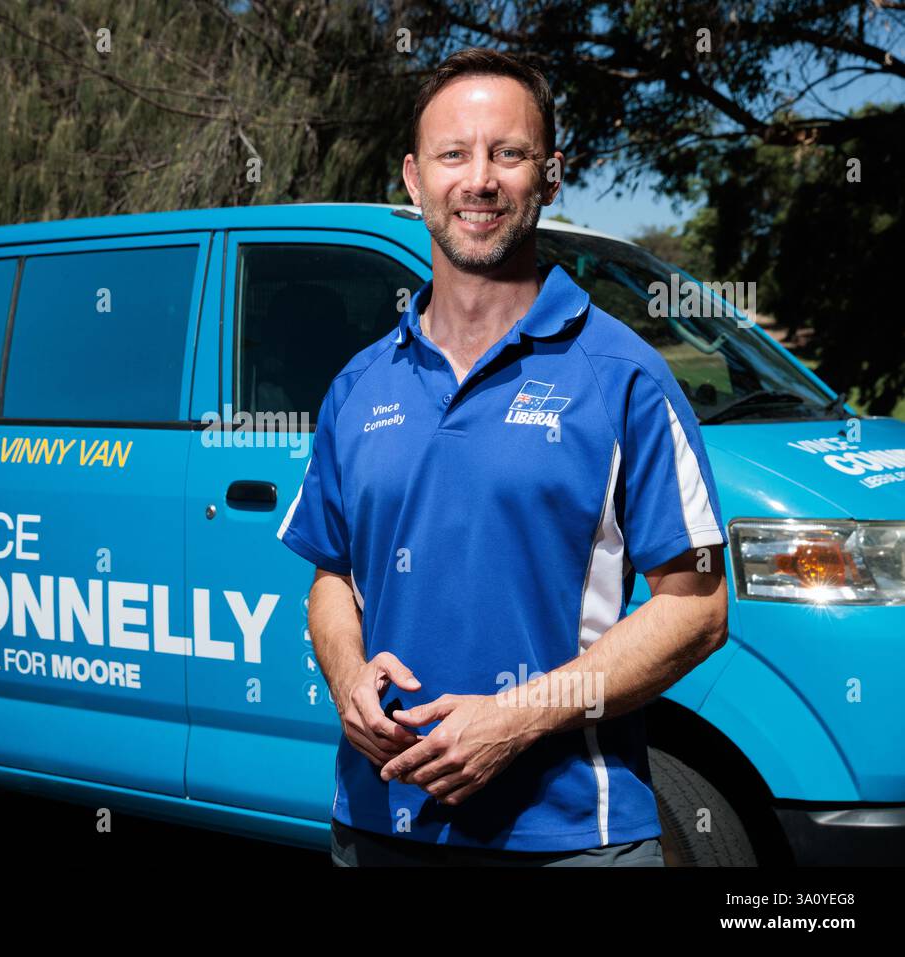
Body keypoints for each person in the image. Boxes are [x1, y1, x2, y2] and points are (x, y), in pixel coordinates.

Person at [277, 48, 729, 866]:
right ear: (415, 180)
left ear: (550, 175)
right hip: (379, 824)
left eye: (508, 154)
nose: (478, 180)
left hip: (569, 839)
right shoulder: (358, 383)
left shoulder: (624, 375)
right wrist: (348, 679)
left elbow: (697, 610)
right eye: (454, 154)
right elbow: (330, 577)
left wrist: (516, 717)